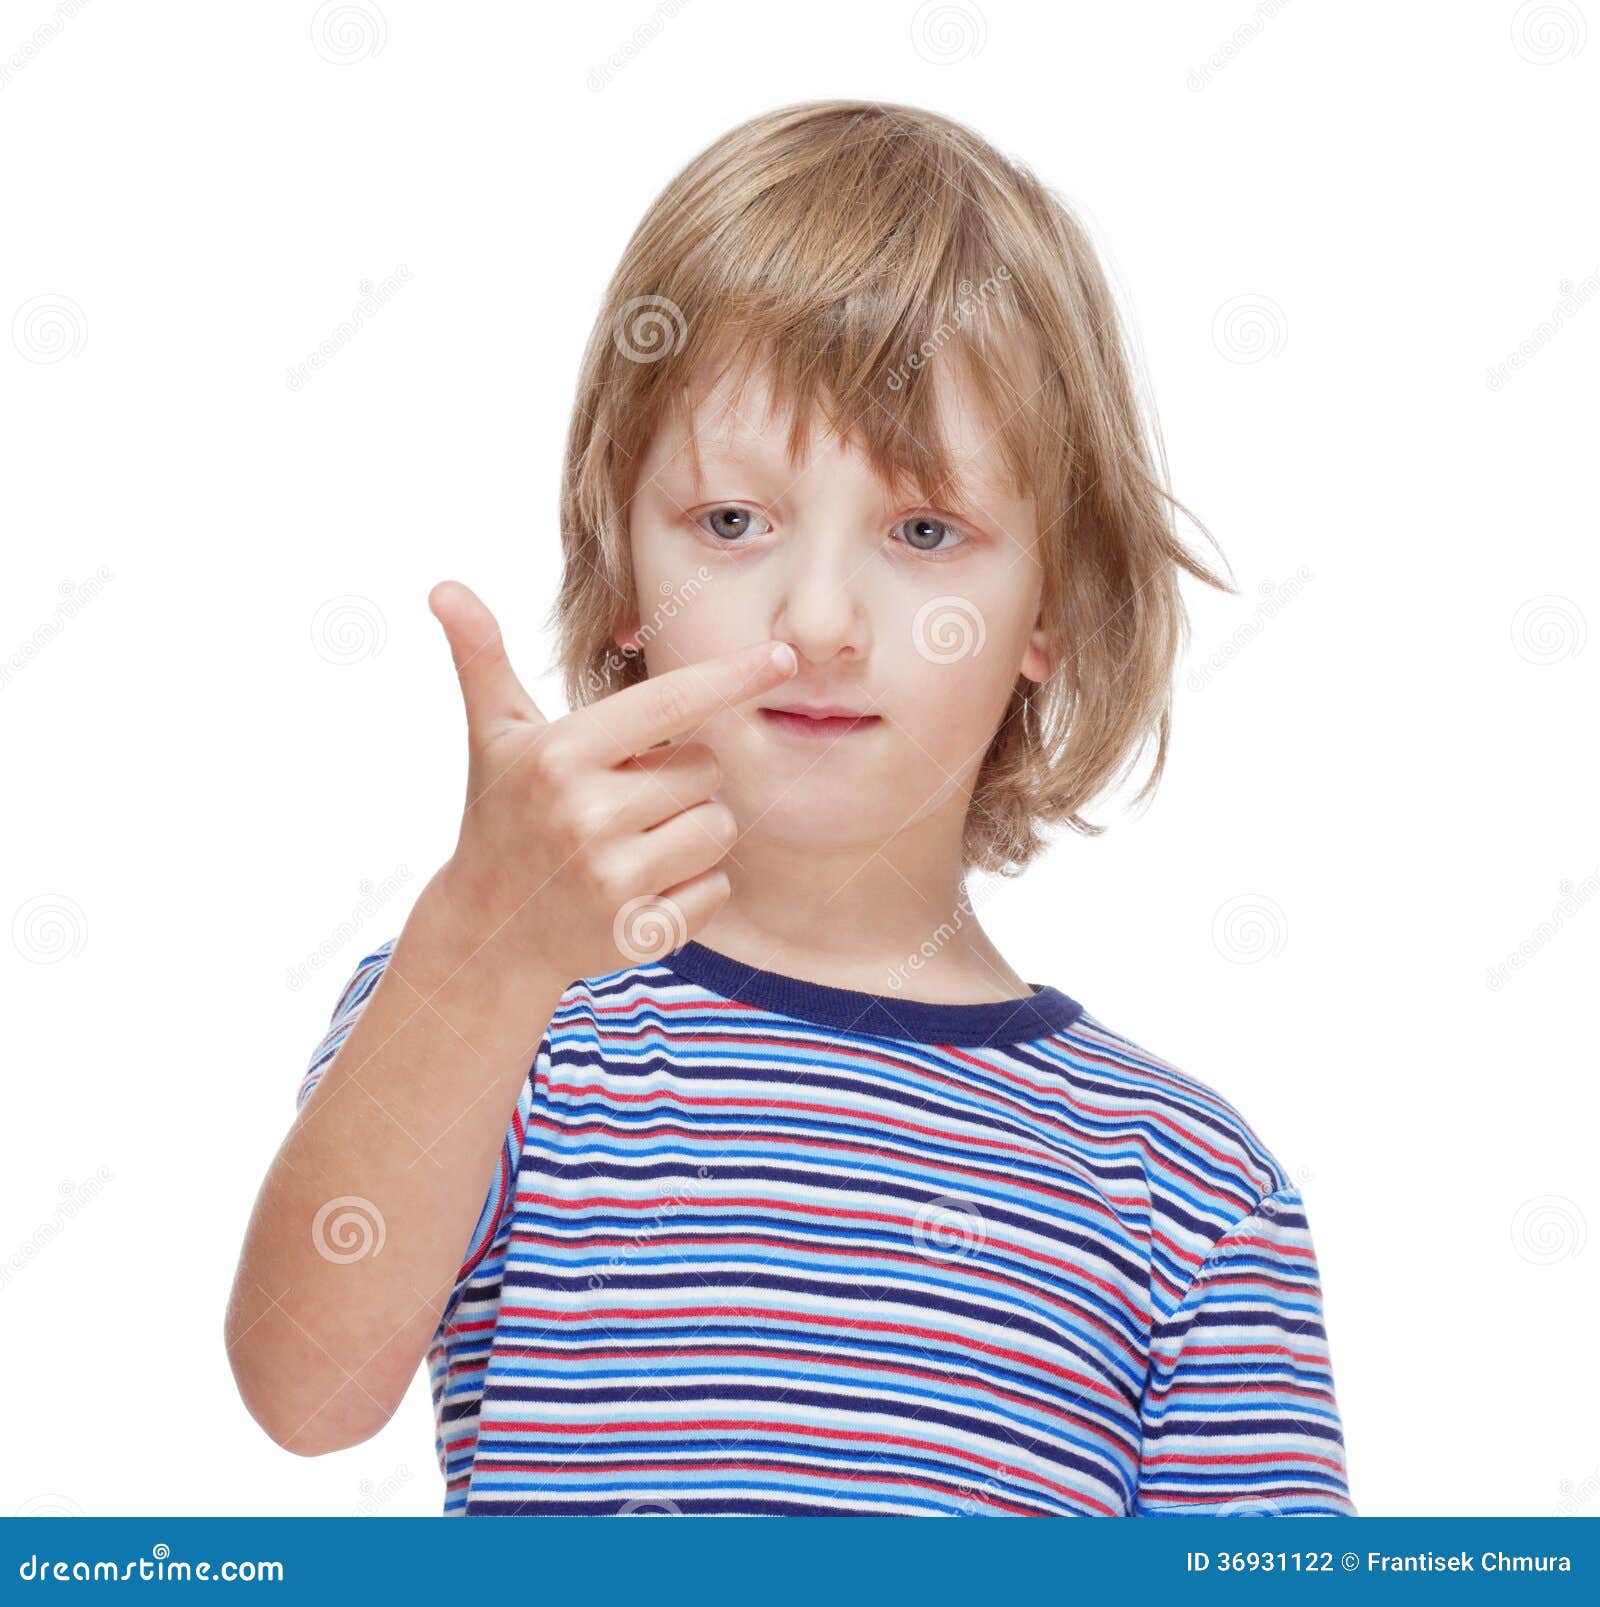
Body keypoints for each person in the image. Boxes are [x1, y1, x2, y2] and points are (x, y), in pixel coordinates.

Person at [226, 99, 1356, 1517]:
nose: (820, 621)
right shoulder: (500, 1015)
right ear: (623, 574)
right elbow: (305, 1392)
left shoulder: (1185, 1189)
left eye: (925, 532)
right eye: (733, 523)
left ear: (1052, 606)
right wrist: (479, 947)